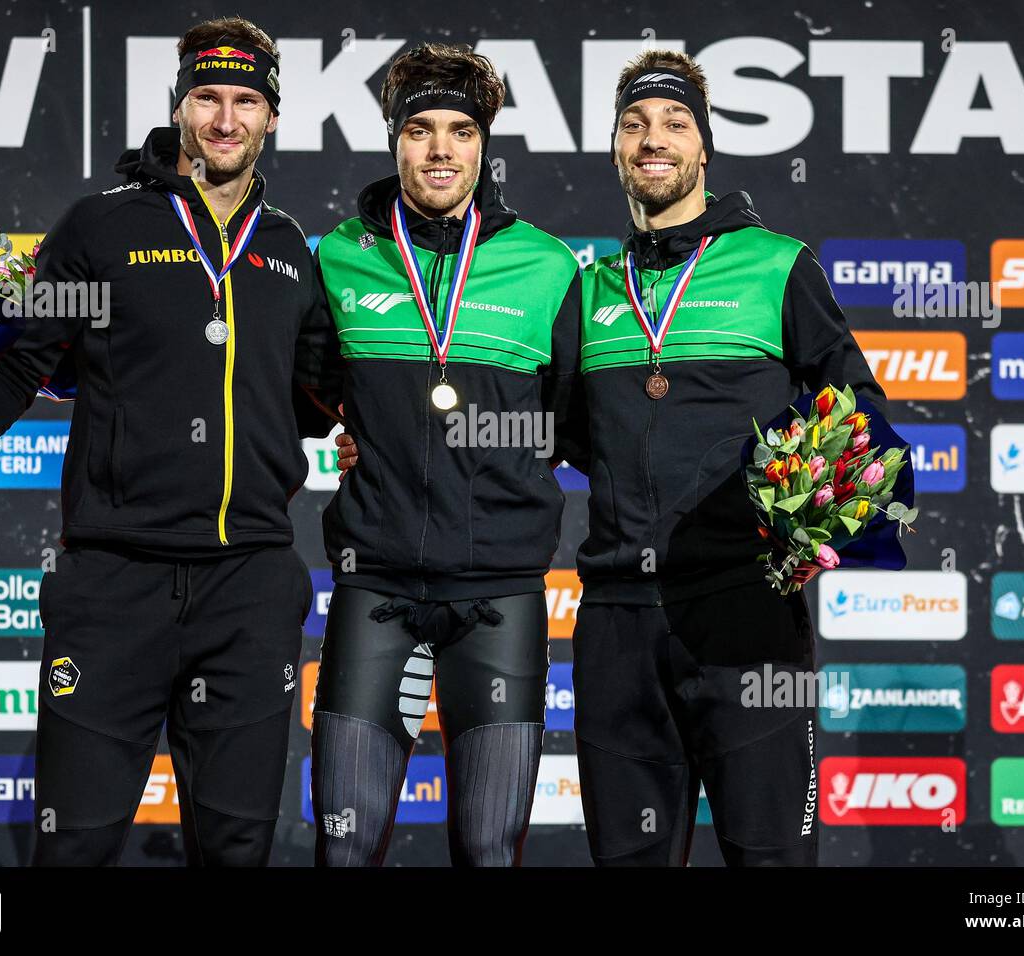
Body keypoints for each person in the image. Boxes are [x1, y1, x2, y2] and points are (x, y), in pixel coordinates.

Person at [0, 16, 338, 866]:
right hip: (112, 584)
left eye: (246, 101)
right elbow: (25, 358)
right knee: (77, 844)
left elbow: (316, 397)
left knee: (239, 845)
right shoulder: (103, 226)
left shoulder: (288, 252)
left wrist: (356, 433)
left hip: (248, 587)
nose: (226, 119)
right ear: (180, 106)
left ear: (272, 117)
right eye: (208, 97)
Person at [568, 50, 889, 866]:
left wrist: (830, 530)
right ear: (615, 148)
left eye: (675, 123)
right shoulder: (590, 287)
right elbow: (553, 430)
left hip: (746, 615)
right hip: (616, 624)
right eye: (634, 124)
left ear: (704, 148)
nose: (654, 139)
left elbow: (859, 413)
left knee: (771, 857)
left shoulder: (777, 263)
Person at [310, 42, 581, 866]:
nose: (439, 150)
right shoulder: (339, 256)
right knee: (344, 850)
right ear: (393, 137)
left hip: (498, 593)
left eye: (460, 131)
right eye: (420, 129)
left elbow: (576, 424)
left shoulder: (547, 265)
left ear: (484, 143)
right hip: (375, 587)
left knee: (491, 851)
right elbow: (293, 394)